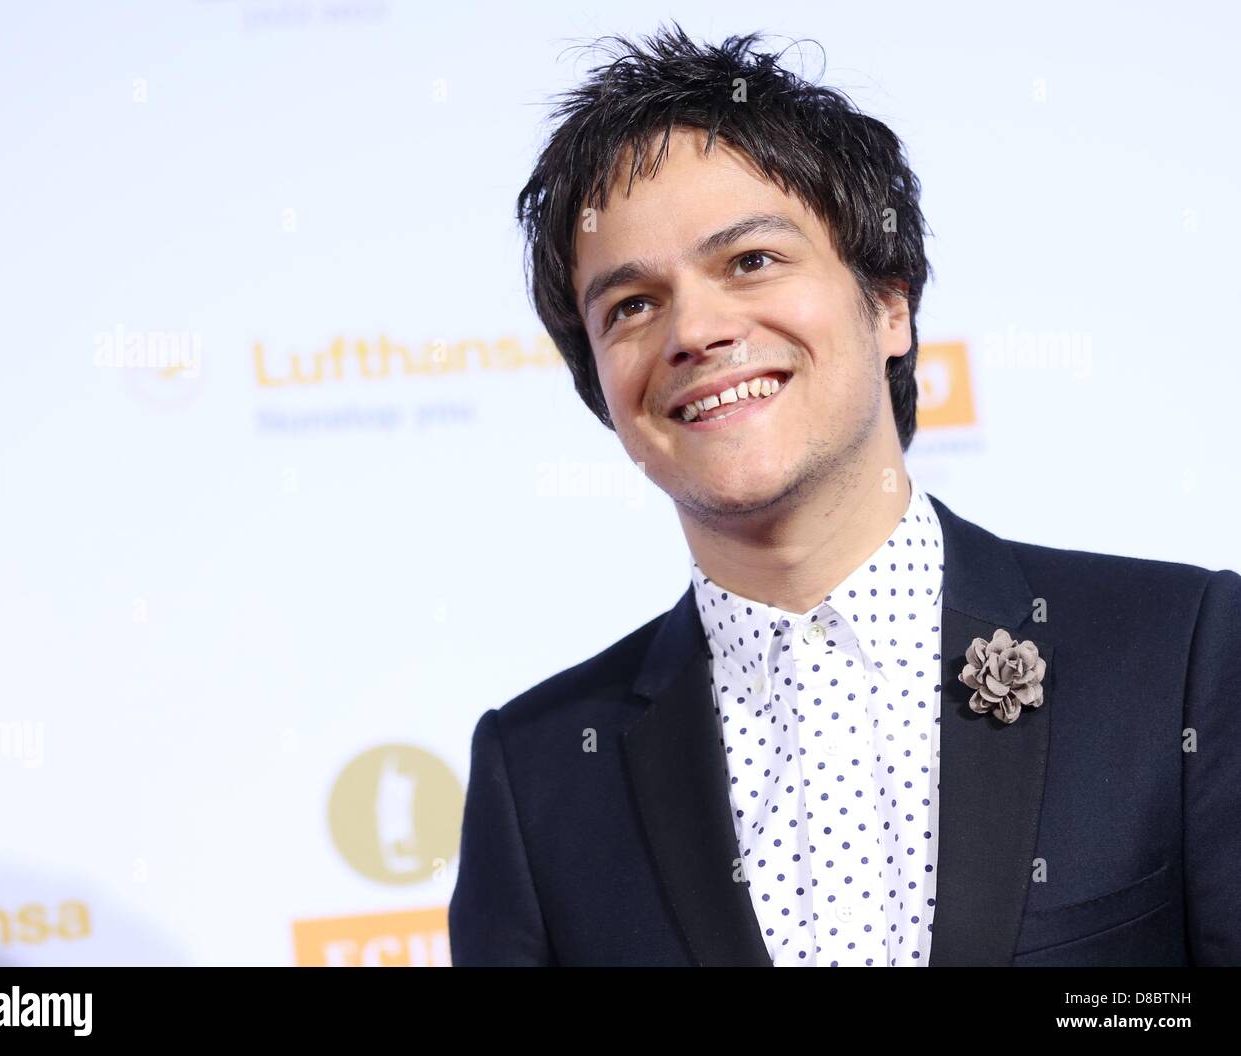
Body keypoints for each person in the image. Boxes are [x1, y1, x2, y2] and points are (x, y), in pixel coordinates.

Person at [448, 22, 1241, 966]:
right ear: (601, 389)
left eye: (750, 261)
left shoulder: (1182, 651)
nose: (695, 330)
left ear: (890, 304)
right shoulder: (537, 779)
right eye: (632, 305)